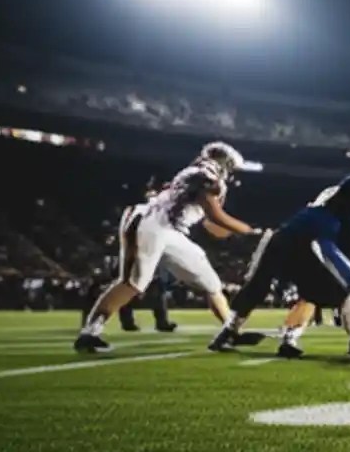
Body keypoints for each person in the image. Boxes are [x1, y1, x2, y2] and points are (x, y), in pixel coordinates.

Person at [75, 142, 262, 353]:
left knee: (211, 284)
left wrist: (237, 232)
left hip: (172, 231)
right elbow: (214, 214)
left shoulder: (193, 173)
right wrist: (248, 231)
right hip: (153, 224)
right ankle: (89, 333)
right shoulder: (206, 176)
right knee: (133, 283)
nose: (232, 175)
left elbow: (210, 224)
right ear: (224, 164)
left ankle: (230, 332)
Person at [207, 160, 350, 360]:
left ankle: (230, 332)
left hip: (283, 234)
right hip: (316, 237)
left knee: (260, 286)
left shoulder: (333, 196)